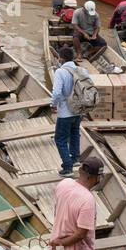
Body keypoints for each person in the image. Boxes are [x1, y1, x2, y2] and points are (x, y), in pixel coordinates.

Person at [50, 46, 86, 176]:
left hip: (66, 111)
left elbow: (56, 92)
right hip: (79, 109)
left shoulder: (60, 72)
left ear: (61, 58)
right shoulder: (81, 70)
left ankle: (67, 167)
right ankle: (75, 158)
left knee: (60, 139)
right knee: (75, 133)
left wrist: (53, 104)